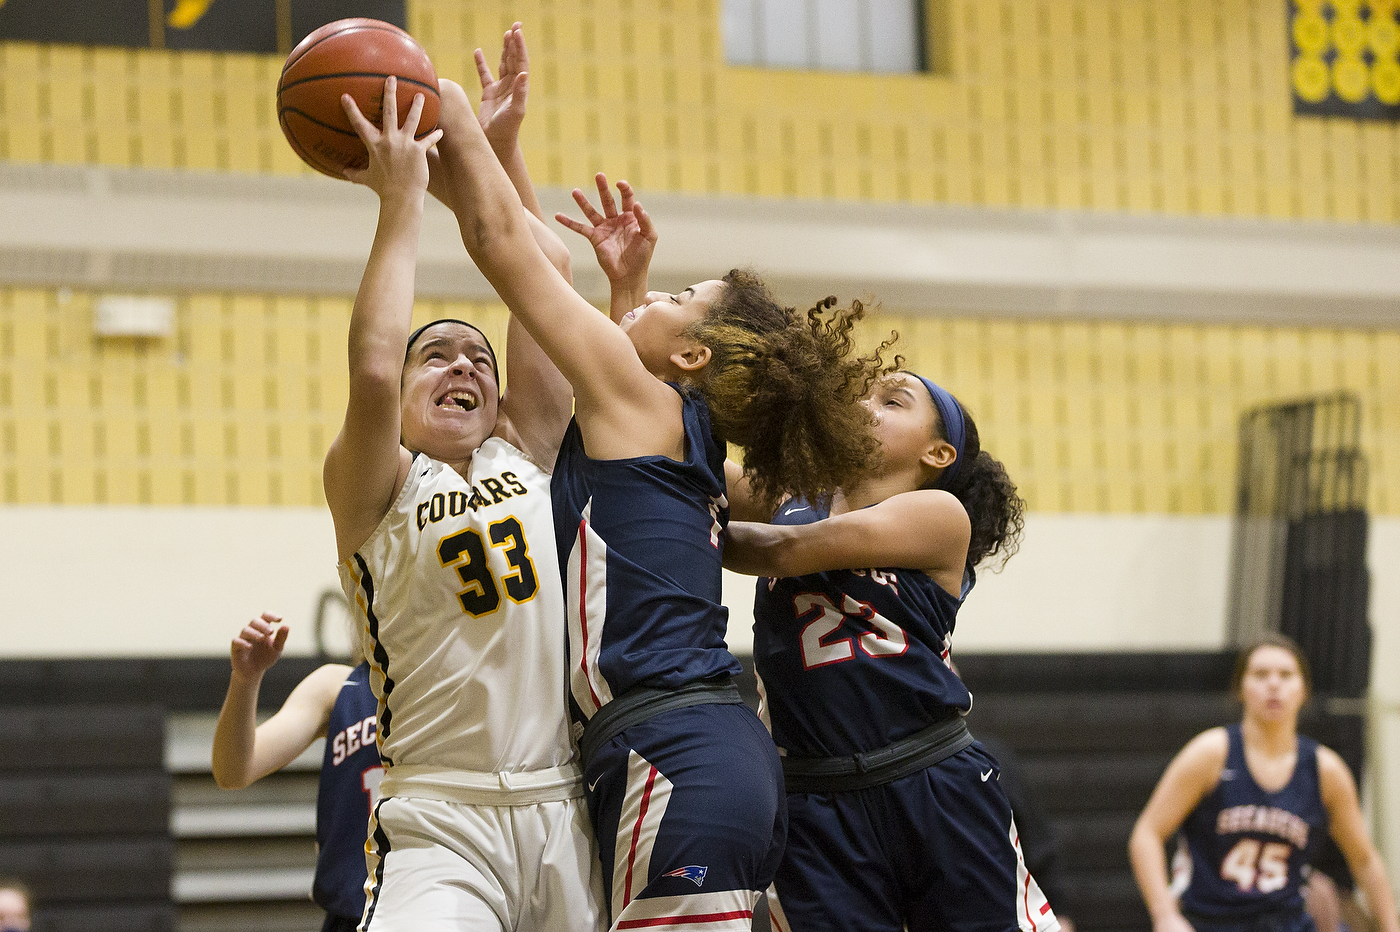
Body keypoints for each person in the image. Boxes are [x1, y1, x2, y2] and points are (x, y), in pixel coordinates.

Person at [434, 73, 892, 928]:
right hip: (701, 756)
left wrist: (442, 107)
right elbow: (575, 343)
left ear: (692, 363)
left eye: (677, 301)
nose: (656, 295)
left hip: (677, 757)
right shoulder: (669, 426)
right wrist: (499, 152)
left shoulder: (645, 410)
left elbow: (506, 245)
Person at [327, 25, 604, 931]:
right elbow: (372, 369)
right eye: (435, 357)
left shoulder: (525, 453)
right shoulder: (376, 485)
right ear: (402, 402)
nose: (463, 367)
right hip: (439, 819)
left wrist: (495, 153)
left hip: (564, 804)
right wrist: (401, 200)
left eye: (478, 359)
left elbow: (545, 285)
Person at [721, 371, 1058, 932]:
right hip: (814, 797)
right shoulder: (791, 497)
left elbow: (781, 551)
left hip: (930, 777)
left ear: (937, 452)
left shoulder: (939, 516)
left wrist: (697, 526)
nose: (863, 403)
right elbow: (677, 459)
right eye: (858, 393)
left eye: (891, 400)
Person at [1129, 634, 1399, 932]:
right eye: (1260, 674)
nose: (1274, 684)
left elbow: (1364, 861)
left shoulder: (1326, 770)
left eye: (1286, 675)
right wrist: (1165, 915)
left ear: (1304, 691)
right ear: (1240, 688)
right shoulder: (1209, 754)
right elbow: (1147, 834)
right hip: (1210, 921)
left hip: (1286, 922)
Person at [211, 612, 381, 932]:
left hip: (433, 909)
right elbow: (233, 771)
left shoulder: (458, 690)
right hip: (352, 915)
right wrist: (246, 680)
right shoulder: (336, 685)